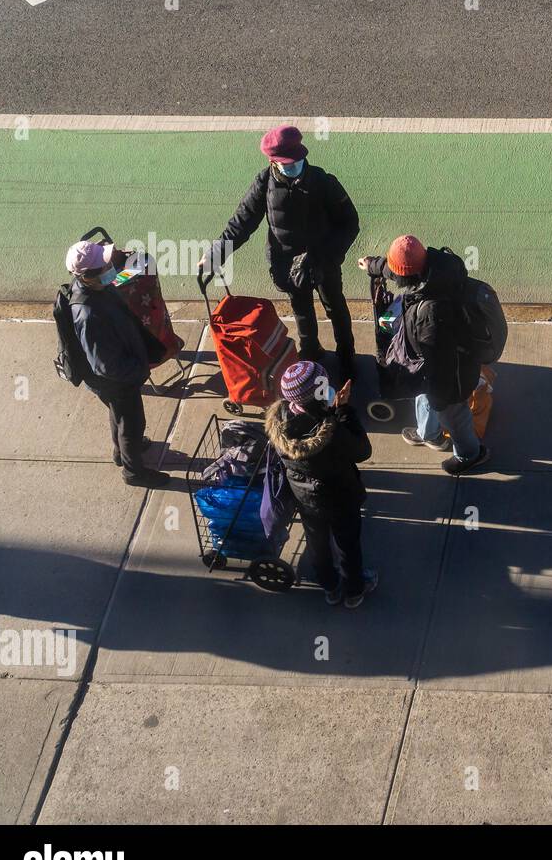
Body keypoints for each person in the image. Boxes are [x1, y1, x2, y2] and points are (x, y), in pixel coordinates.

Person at [205, 125, 361, 381]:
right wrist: (217, 252)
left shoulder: (324, 182)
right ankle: (311, 353)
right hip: (287, 263)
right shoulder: (263, 184)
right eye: (287, 163)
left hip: (322, 261)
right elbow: (242, 221)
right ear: (273, 162)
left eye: (297, 161)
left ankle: (346, 356)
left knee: (336, 309)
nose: (293, 167)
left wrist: (324, 257)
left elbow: (350, 223)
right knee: (302, 311)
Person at [358, 235, 489, 475]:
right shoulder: (433, 269)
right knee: (422, 393)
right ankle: (429, 434)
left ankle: (470, 454)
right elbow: (396, 268)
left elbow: (440, 367)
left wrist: (441, 399)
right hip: (433, 366)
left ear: (407, 277)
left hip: (452, 375)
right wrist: (373, 266)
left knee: (453, 415)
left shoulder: (431, 315)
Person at [264, 360, 378, 608]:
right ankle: (354, 590)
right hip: (339, 497)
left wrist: (329, 410)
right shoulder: (331, 431)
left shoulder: (280, 422)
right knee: (347, 544)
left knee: (317, 543)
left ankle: (330, 587)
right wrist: (343, 411)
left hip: (306, 498)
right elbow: (361, 450)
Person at [64, 240, 169, 488]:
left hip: (115, 378)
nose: (110, 265)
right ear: (90, 275)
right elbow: (104, 365)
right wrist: (137, 371)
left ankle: (120, 453)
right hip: (116, 380)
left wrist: (136, 264)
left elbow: (120, 278)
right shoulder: (88, 314)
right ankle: (134, 473)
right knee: (132, 423)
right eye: (105, 264)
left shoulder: (97, 287)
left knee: (119, 416)